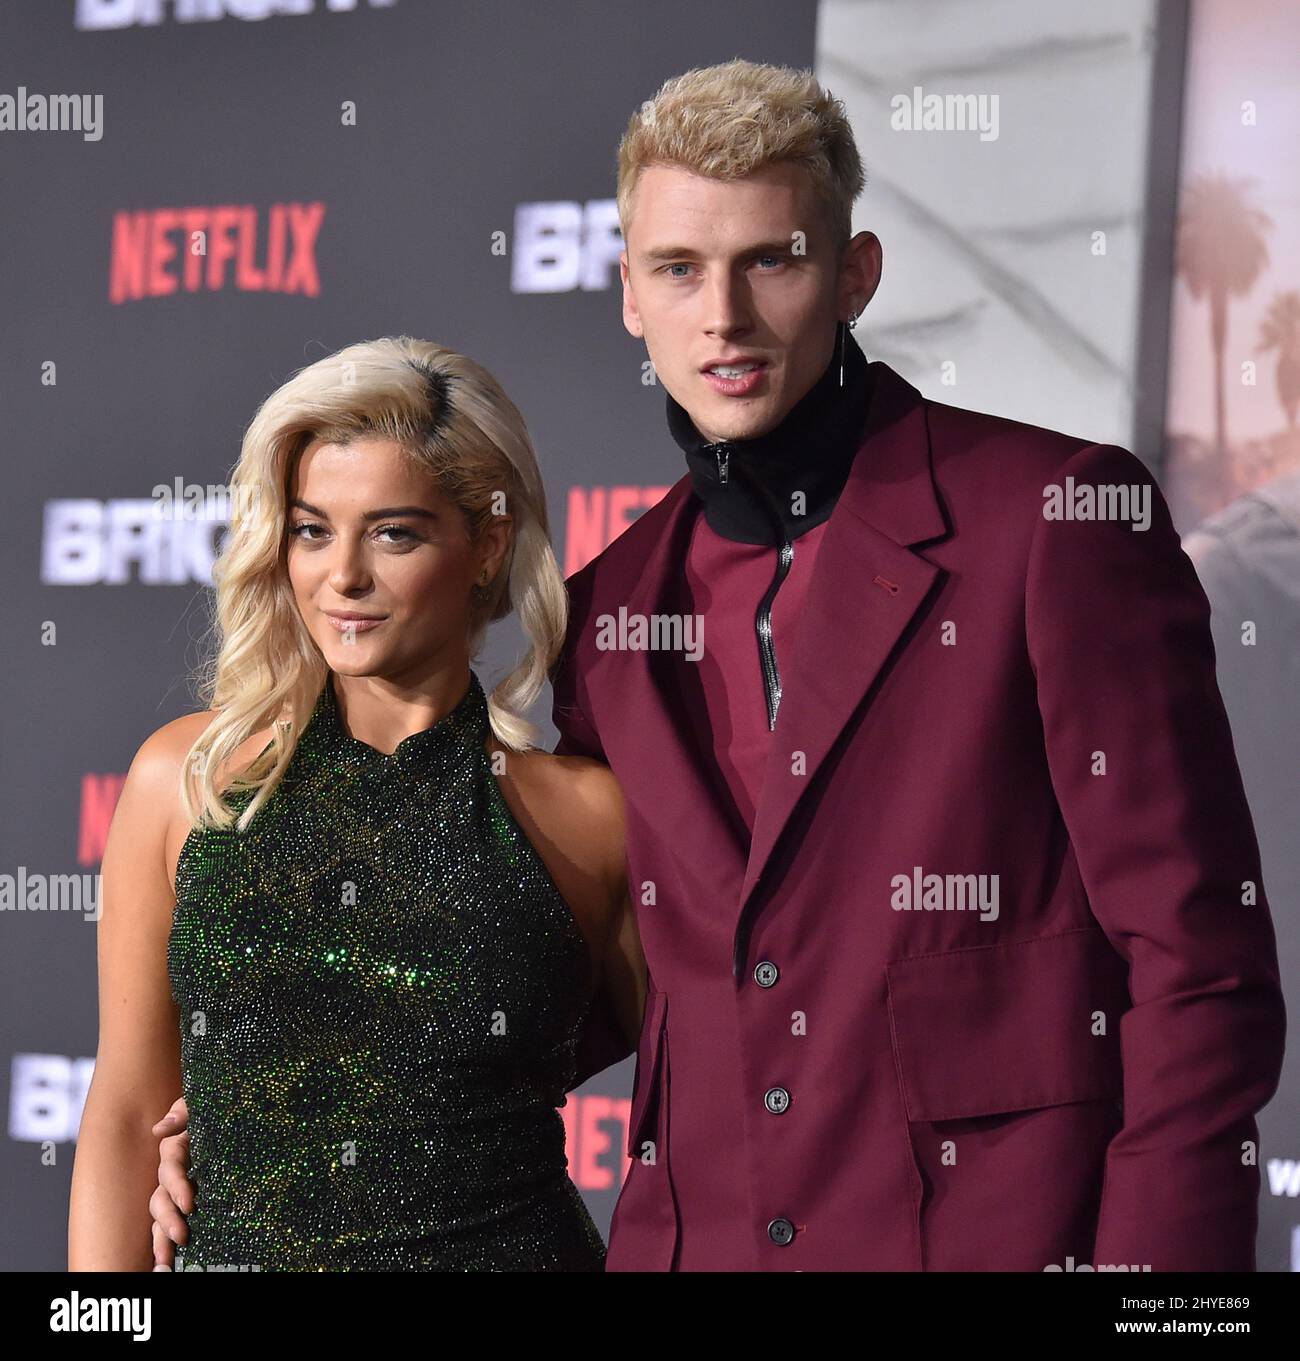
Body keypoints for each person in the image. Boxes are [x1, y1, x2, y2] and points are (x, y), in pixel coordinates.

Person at [152, 58, 1287, 1272]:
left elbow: (1197, 961)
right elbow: (567, 978)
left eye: (773, 261)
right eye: (678, 269)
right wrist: (259, 1109)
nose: (723, 317)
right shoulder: (608, 611)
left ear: (855, 274)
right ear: (629, 293)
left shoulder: (1055, 520)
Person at [67, 337, 644, 1271]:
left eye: (394, 532)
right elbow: (129, 1114)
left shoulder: (589, 817)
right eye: (311, 529)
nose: (343, 576)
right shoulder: (188, 785)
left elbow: (700, 1106)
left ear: (487, 541)